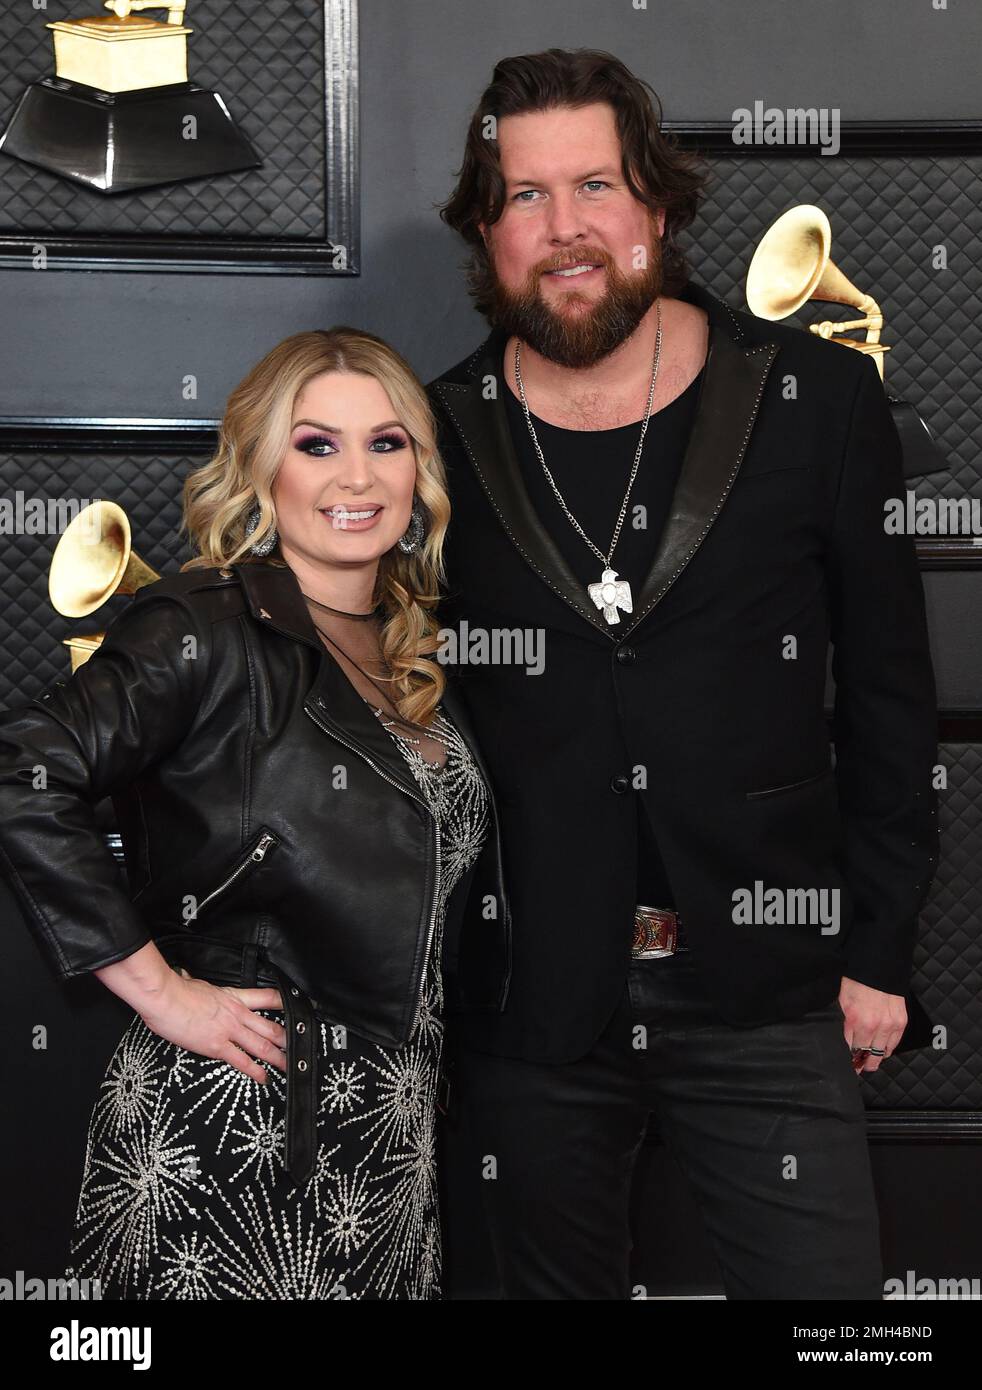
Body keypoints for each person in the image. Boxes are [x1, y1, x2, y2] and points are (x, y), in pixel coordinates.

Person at [426, 48, 940, 1299]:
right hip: (529, 999)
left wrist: (875, 951)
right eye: (525, 198)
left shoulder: (814, 398)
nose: (565, 231)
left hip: (766, 984)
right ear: (485, 231)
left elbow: (888, 697)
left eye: (594, 186)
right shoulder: (430, 430)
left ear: (656, 202)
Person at [0, 327, 509, 1300]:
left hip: (388, 1146)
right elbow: (23, 770)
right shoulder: (206, 624)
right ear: (261, 465)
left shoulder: (412, 654)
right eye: (316, 443)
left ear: (419, 471)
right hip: (232, 1127)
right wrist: (161, 992)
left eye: (386, 442)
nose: (354, 475)